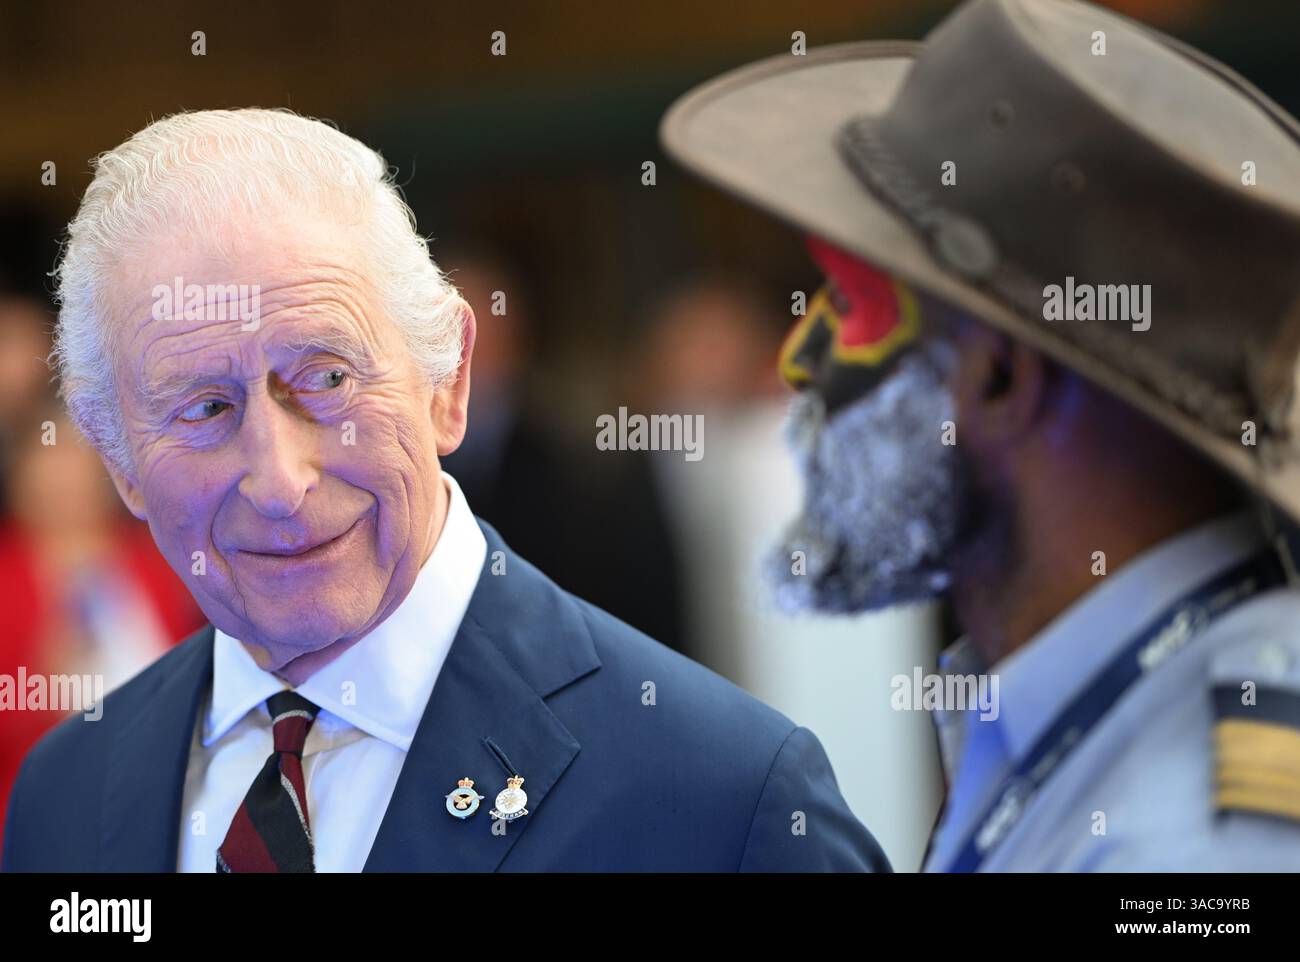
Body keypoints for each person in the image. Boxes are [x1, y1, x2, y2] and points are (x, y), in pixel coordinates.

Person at [2, 108, 886, 872]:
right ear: (117, 460)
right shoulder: (66, 798)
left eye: (327, 379)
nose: (279, 482)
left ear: (449, 381)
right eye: (203, 407)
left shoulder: (722, 798)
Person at [661, 0, 1300, 869]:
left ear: (1001, 377)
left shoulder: (1191, 841)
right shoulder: (1082, 703)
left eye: (850, 303)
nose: (799, 362)